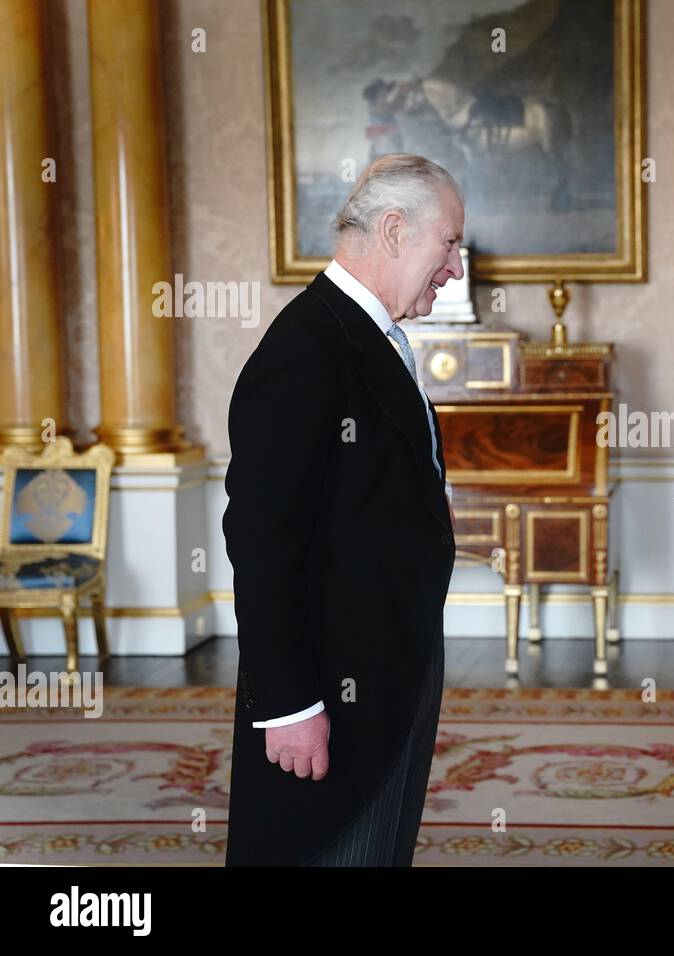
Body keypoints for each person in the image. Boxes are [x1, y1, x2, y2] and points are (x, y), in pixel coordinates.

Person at [223, 154, 464, 866]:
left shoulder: (370, 336)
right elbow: (262, 541)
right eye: (448, 243)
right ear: (394, 231)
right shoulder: (308, 348)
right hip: (332, 685)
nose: (455, 267)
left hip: (389, 668)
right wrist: (288, 705)